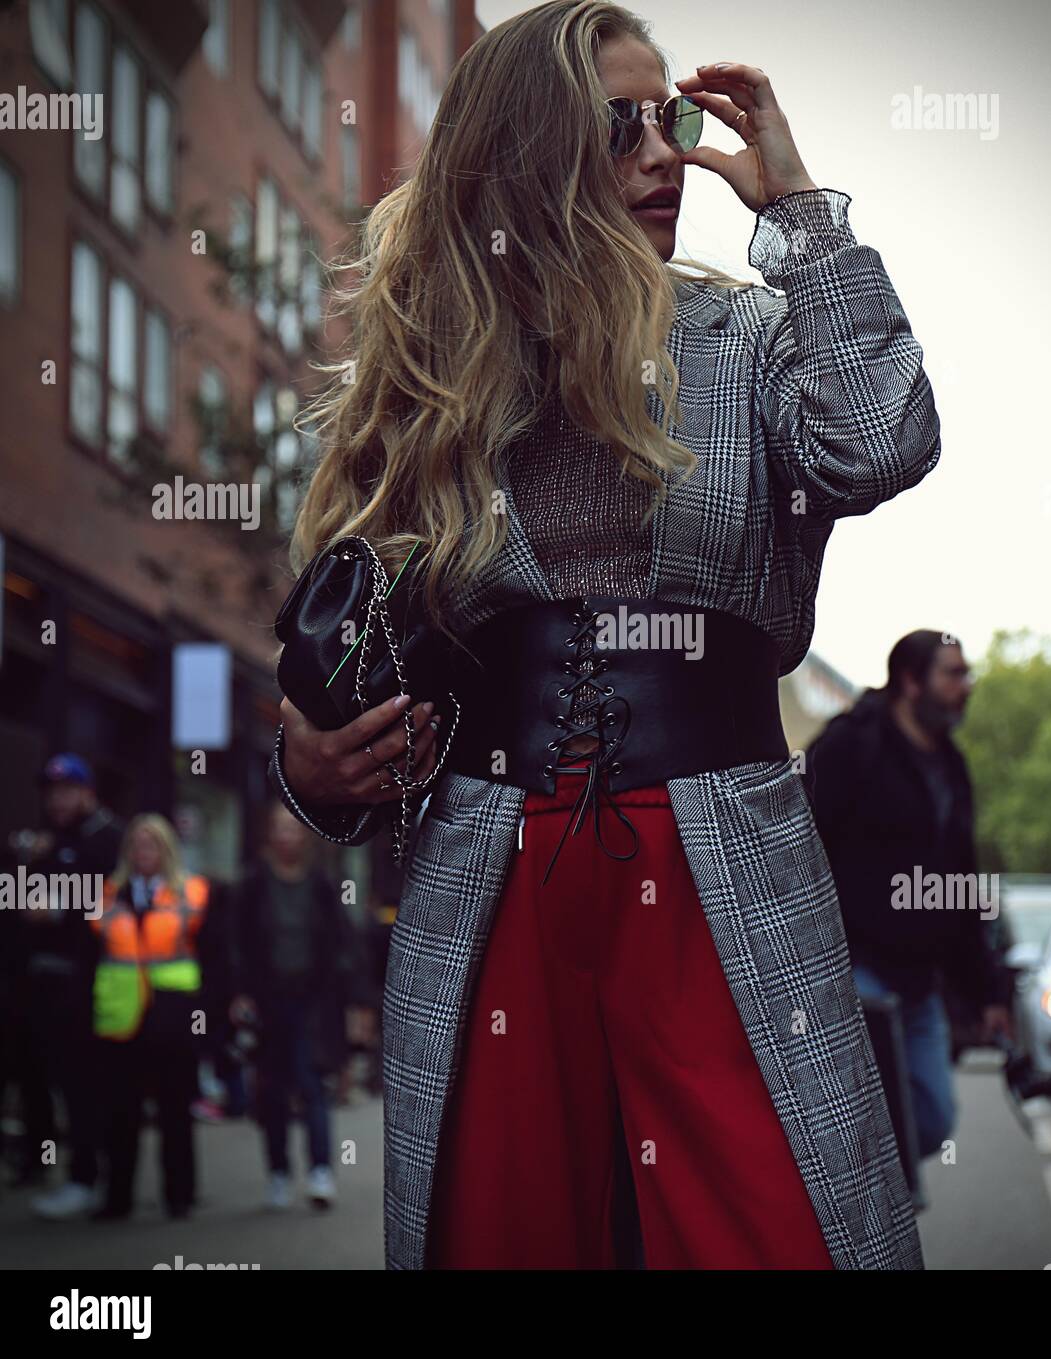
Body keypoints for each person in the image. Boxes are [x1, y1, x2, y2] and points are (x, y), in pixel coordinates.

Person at [273, 1, 942, 1270]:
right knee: (499, 1241)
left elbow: (883, 438)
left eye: (669, 121)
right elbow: (347, 652)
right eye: (618, 127)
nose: (661, 157)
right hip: (488, 869)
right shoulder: (432, 379)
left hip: (719, 858)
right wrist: (309, 775)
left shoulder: (742, 339)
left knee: (777, 1234)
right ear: (526, 153)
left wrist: (796, 209)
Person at [805, 632, 1010, 1166]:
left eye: (966, 674)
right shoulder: (852, 745)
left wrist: (987, 992)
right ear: (911, 681)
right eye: (953, 674)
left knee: (933, 1119)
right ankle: (866, 1220)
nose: (966, 687)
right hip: (856, 971)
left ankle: (877, 1197)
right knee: (862, 1118)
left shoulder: (951, 767)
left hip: (919, 980)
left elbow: (962, 884)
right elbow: (801, 843)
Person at [229, 803, 367, 1211]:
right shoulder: (252, 884)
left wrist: (356, 1002)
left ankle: (321, 1170)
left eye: (293, 828)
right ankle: (277, 1173)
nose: (287, 836)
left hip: (313, 1000)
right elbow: (235, 943)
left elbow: (345, 944)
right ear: (268, 835)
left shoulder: (322, 885)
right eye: (279, 828)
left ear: (305, 834)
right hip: (268, 1000)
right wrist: (239, 992)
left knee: (312, 1083)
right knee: (271, 1088)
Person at [90, 815, 209, 1220]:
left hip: (172, 1013)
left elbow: (209, 955)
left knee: (175, 1109)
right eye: (137, 846)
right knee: (120, 1112)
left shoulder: (190, 892)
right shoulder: (108, 894)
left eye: (151, 845)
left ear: (166, 850)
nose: (143, 853)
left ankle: (180, 1196)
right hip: (122, 1016)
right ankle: (117, 1198)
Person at [21, 755, 122, 1219]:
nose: (57, 799)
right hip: (38, 979)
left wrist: (58, 909)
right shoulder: (45, 840)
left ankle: (87, 1177)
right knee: (43, 1077)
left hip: (90, 982)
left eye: (66, 791)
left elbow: (108, 904)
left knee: (84, 1082)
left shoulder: (108, 840)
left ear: (87, 792)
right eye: (51, 791)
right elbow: (19, 897)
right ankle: (38, 1164)